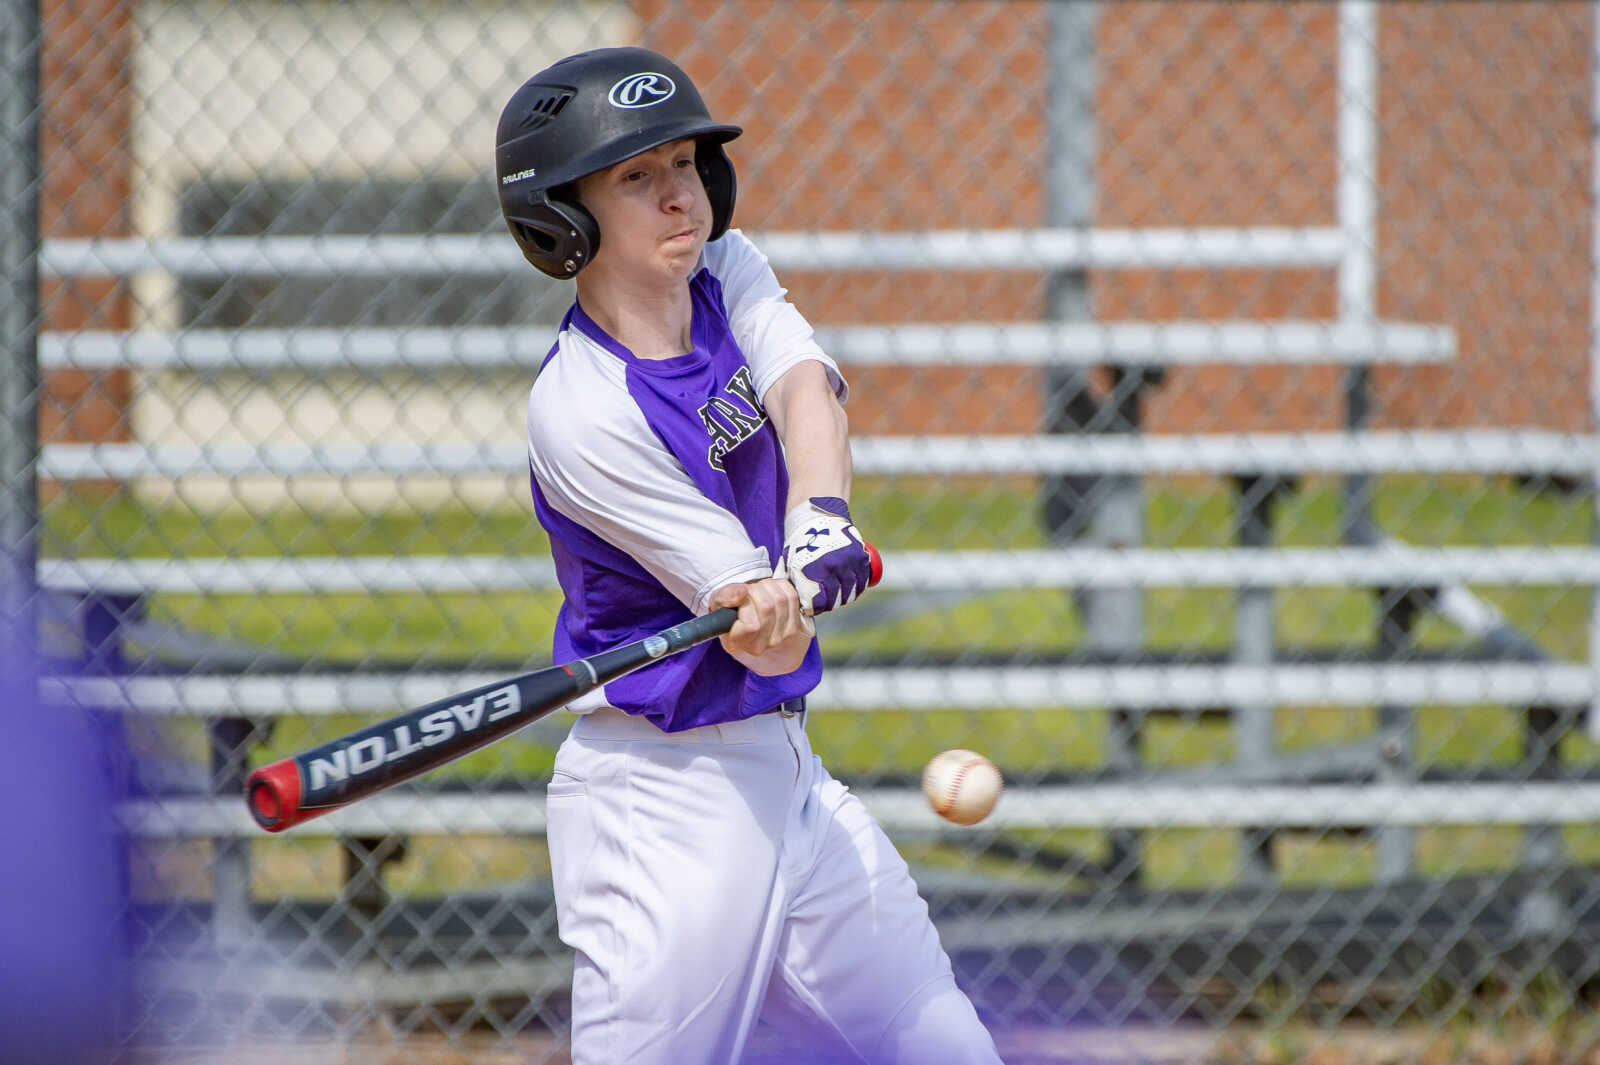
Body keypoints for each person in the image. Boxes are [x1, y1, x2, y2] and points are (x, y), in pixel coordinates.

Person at [495, 47, 1004, 1065]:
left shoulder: (726, 270)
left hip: (787, 775)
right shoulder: (583, 413)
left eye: (684, 163)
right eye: (635, 177)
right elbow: (762, 644)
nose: (677, 194)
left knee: (940, 1044)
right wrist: (771, 609)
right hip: (664, 804)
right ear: (564, 217)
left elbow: (800, 386)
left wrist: (821, 519)